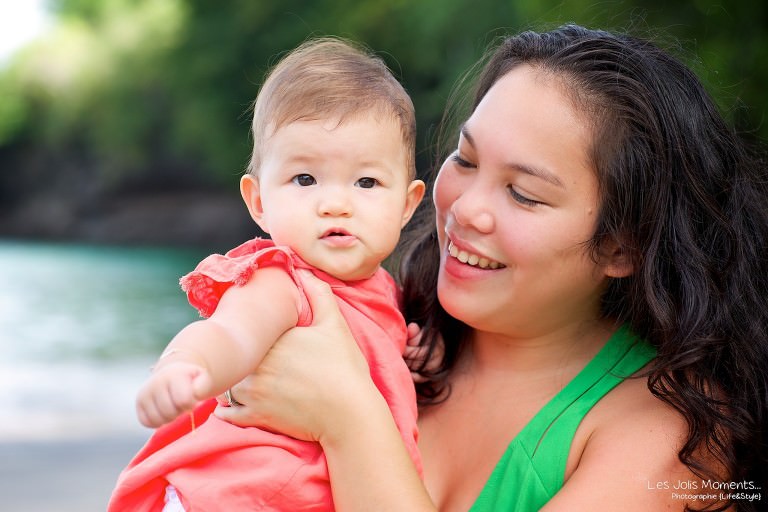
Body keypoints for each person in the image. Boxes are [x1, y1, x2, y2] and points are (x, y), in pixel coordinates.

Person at [214, 24, 768, 512]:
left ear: (621, 247)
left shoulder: (677, 440)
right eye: (466, 160)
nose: (465, 208)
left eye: (524, 194)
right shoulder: (391, 329)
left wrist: (350, 421)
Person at [108, 37, 425, 511]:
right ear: (258, 201)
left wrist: (405, 360)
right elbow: (231, 335)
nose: (335, 203)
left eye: (366, 182)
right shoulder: (283, 280)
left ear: (406, 203)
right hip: (229, 498)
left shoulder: (388, 299)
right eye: (304, 179)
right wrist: (185, 369)